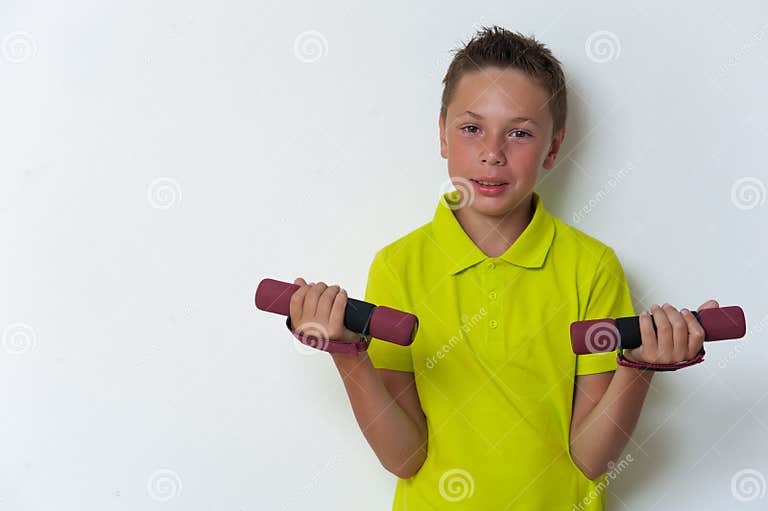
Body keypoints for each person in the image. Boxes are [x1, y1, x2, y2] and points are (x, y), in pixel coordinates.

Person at [288, 25, 719, 510]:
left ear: (553, 148)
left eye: (519, 132)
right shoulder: (399, 265)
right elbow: (404, 457)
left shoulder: (592, 267)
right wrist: (347, 355)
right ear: (442, 135)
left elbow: (591, 458)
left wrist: (639, 368)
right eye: (472, 128)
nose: (492, 152)